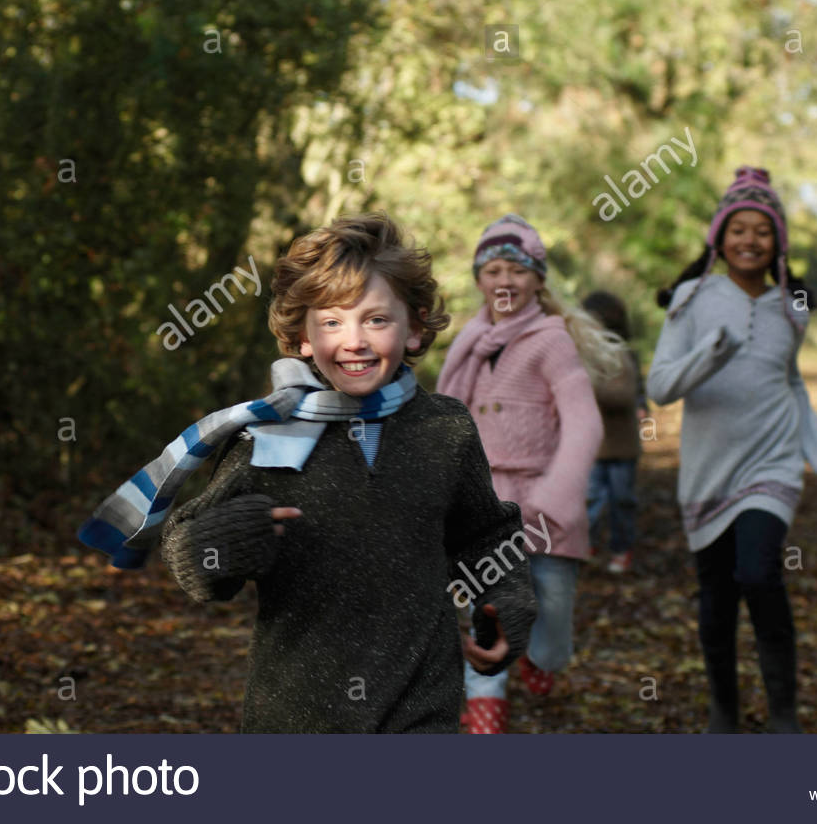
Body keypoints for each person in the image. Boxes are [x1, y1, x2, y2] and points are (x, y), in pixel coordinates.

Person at [81, 213, 537, 732]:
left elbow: (485, 533)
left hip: (421, 702)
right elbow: (189, 552)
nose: (354, 341)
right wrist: (221, 544)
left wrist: (505, 600)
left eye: (376, 320)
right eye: (332, 322)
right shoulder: (266, 437)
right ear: (303, 337)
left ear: (414, 326)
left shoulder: (445, 430)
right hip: (296, 712)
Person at [647, 166, 817, 733]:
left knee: (760, 574)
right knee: (716, 595)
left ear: (778, 240)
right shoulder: (690, 298)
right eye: (737, 228)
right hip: (708, 469)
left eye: (761, 230)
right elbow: (660, 387)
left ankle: (784, 716)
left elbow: (790, 382)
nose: (748, 240)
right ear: (719, 235)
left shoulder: (793, 306)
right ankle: (724, 712)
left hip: (773, 463)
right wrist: (707, 357)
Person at [437, 214, 617, 734]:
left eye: (516, 270)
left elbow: (584, 420)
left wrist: (557, 493)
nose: (504, 281)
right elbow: (449, 418)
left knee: (553, 610)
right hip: (487, 503)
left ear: (538, 279)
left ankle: (542, 657)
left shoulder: (551, 341)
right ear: (479, 281)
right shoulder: (467, 344)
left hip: (546, 502)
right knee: (486, 602)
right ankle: (486, 699)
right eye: (492, 270)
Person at [581, 291, 647, 574]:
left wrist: (643, 408)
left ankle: (622, 547)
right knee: (591, 497)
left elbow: (628, 393)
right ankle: (586, 542)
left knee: (622, 499)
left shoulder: (622, 354)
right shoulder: (580, 352)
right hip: (592, 444)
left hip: (621, 444)